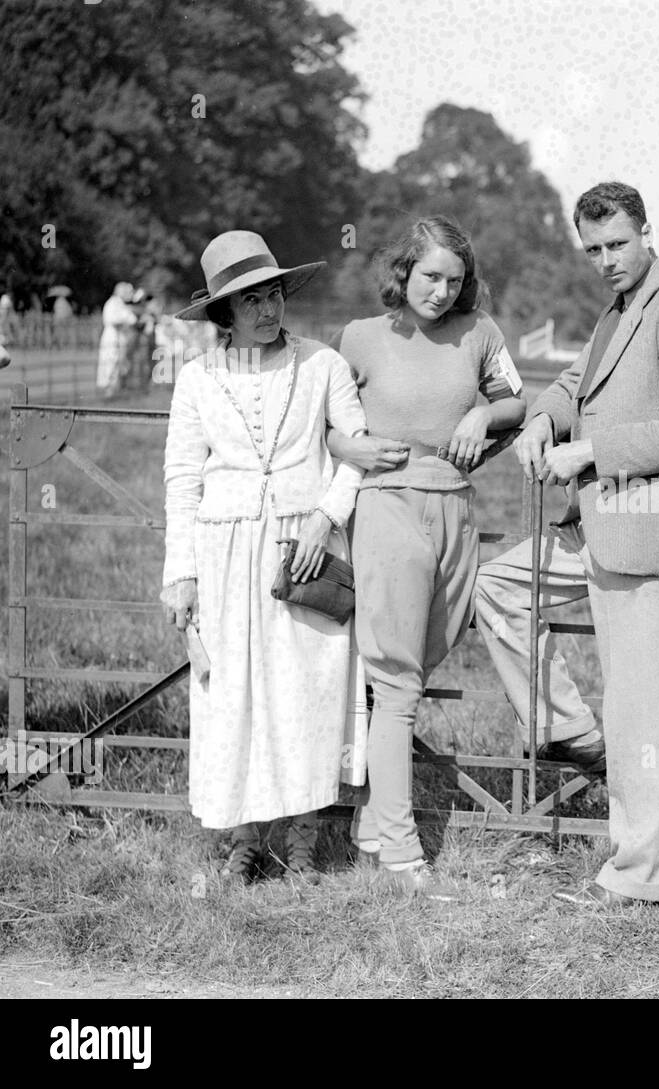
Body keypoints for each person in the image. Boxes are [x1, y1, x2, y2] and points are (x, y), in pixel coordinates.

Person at [474, 180, 659, 908]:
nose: (606, 260)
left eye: (617, 244)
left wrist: (587, 453)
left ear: (648, 230)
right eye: (593, 250)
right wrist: (544, 419)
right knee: (499, 586)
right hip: (596, 526)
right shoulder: (620, 307)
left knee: (645, 710)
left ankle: (640, 876)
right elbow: (576, 382)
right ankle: (575, 731)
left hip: (647, 529)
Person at [160, 230, 369, 882]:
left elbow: (356, 452)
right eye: (250, 300)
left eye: (274, 293)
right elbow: (181, 478)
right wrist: (181, 573)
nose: (268, 309)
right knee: (234, 696)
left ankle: (304, 839)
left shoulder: (321, 365)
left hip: (300, 554)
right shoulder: (197, 379)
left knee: (305, 689)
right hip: (223, 554)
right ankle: (245, 838)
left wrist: (324, 517)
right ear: (224, 311)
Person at [329, 216, 526, 898]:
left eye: (454, 279)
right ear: (402, 273)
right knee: (398, 680)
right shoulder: (360, 337)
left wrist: (482, 416)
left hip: (455, 508)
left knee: (431, 647)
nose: (441, 292)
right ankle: (402, 850)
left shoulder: (483, 335)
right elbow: (316, 416)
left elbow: (519, 401)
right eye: (429, 277)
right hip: (385, 504)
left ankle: (370, 825)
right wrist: (344, 446)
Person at [97, 282, 136, 397]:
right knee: (111, 361)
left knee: (121, 363)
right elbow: (112, 319)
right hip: (112, 336)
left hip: (120, 336)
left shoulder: (120, 304)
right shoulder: (112, 303)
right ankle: (108, 391)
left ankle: (116, 390)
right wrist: (125, 319)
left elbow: (131, 318)